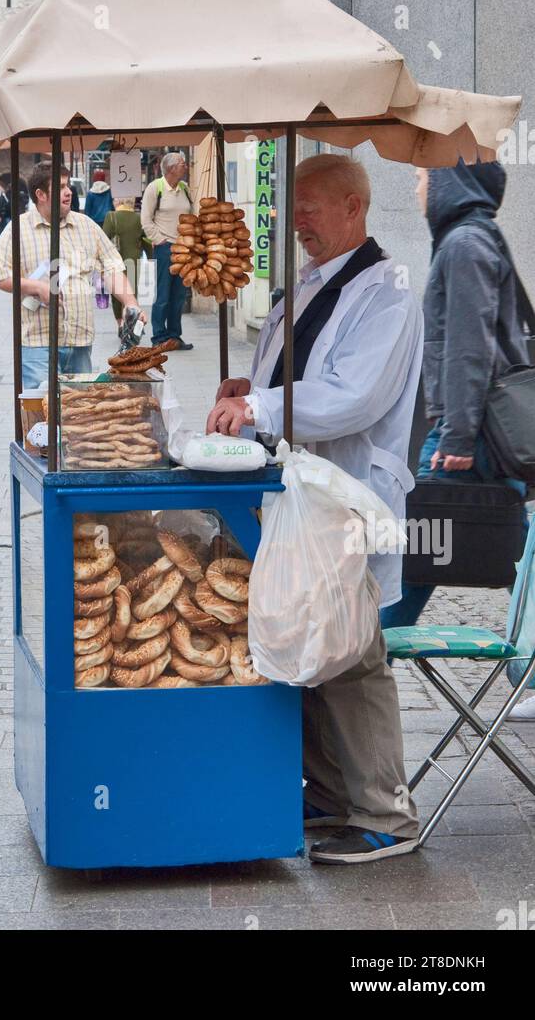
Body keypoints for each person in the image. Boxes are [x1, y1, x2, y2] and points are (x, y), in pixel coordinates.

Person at [207, 154, 423, 864]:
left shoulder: (386, 289)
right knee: (306, 636)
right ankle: (328, 794)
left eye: (311, 209)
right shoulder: (309, 282)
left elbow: (351, 396)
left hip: (345, 492)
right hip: (302, 493)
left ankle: (385, 816)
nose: (297, 222)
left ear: (355, 206)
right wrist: (254, 382)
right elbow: (292, 370)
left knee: (352, 650)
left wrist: (261, 402)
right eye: (292, 210)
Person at [381, 162, 529, 618]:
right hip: (482, 431)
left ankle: (363, 674)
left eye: (424, 177)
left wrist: (458, 436)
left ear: (450, 182)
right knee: (508, 553)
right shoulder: (473, 237)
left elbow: (470, 345)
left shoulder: (465, 243)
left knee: (416, 555)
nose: (418, 184)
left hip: (470, 434)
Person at [0, 160, 144, 388]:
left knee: (79, 413)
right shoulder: (17, 230)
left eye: (68, 185)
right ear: (41, 194)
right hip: (37, 342)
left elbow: (112, 266)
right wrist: (37, 287)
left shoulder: (87, 226)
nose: (68, 192)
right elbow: (0, 277)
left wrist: (130, 302)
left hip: (79, 340)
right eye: (61, 187)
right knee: (43, 415)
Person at [141, 151, 193, 350]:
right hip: (166, 247)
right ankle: (159, 337)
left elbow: (191, 214)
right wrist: (160, 240)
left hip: (185, 247)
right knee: (163, 294)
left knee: (179, 294)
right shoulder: (156, 188)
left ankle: (174, 336)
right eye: (182, 164)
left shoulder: (185, 189)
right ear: (171, 169)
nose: (185, 167)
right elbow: (145, 219)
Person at [103, 198, 146, 324]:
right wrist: (151, 255)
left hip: (115, 258)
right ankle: (129, 322)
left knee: (117, 292)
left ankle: (120, 323)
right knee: (131, 291)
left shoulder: (111, 216)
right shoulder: (139, 218)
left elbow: (104, 239)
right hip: (133, 258)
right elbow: (145, 239)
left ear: (118, 201)